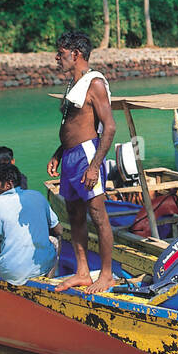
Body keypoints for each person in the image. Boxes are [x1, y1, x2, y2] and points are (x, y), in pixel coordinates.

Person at [47, 30, 117, 293]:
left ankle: (107, 275)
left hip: (88, 155)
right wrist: (58, 152)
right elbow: (72, 125)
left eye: (61, 53)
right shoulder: (73, 85)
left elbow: (109, 127)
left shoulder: (95, 84)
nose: (57, 58)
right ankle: (82, 271)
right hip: (70, 156)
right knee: (75, 215)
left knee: (98, 216)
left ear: (75, 54)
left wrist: (95, 166)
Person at [0, 163, 62, 285]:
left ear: (8, 184)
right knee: (55, 240)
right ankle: (48, 279)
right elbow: (58, 230)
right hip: (41, 268)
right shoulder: (37, 195)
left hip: (11, 274)